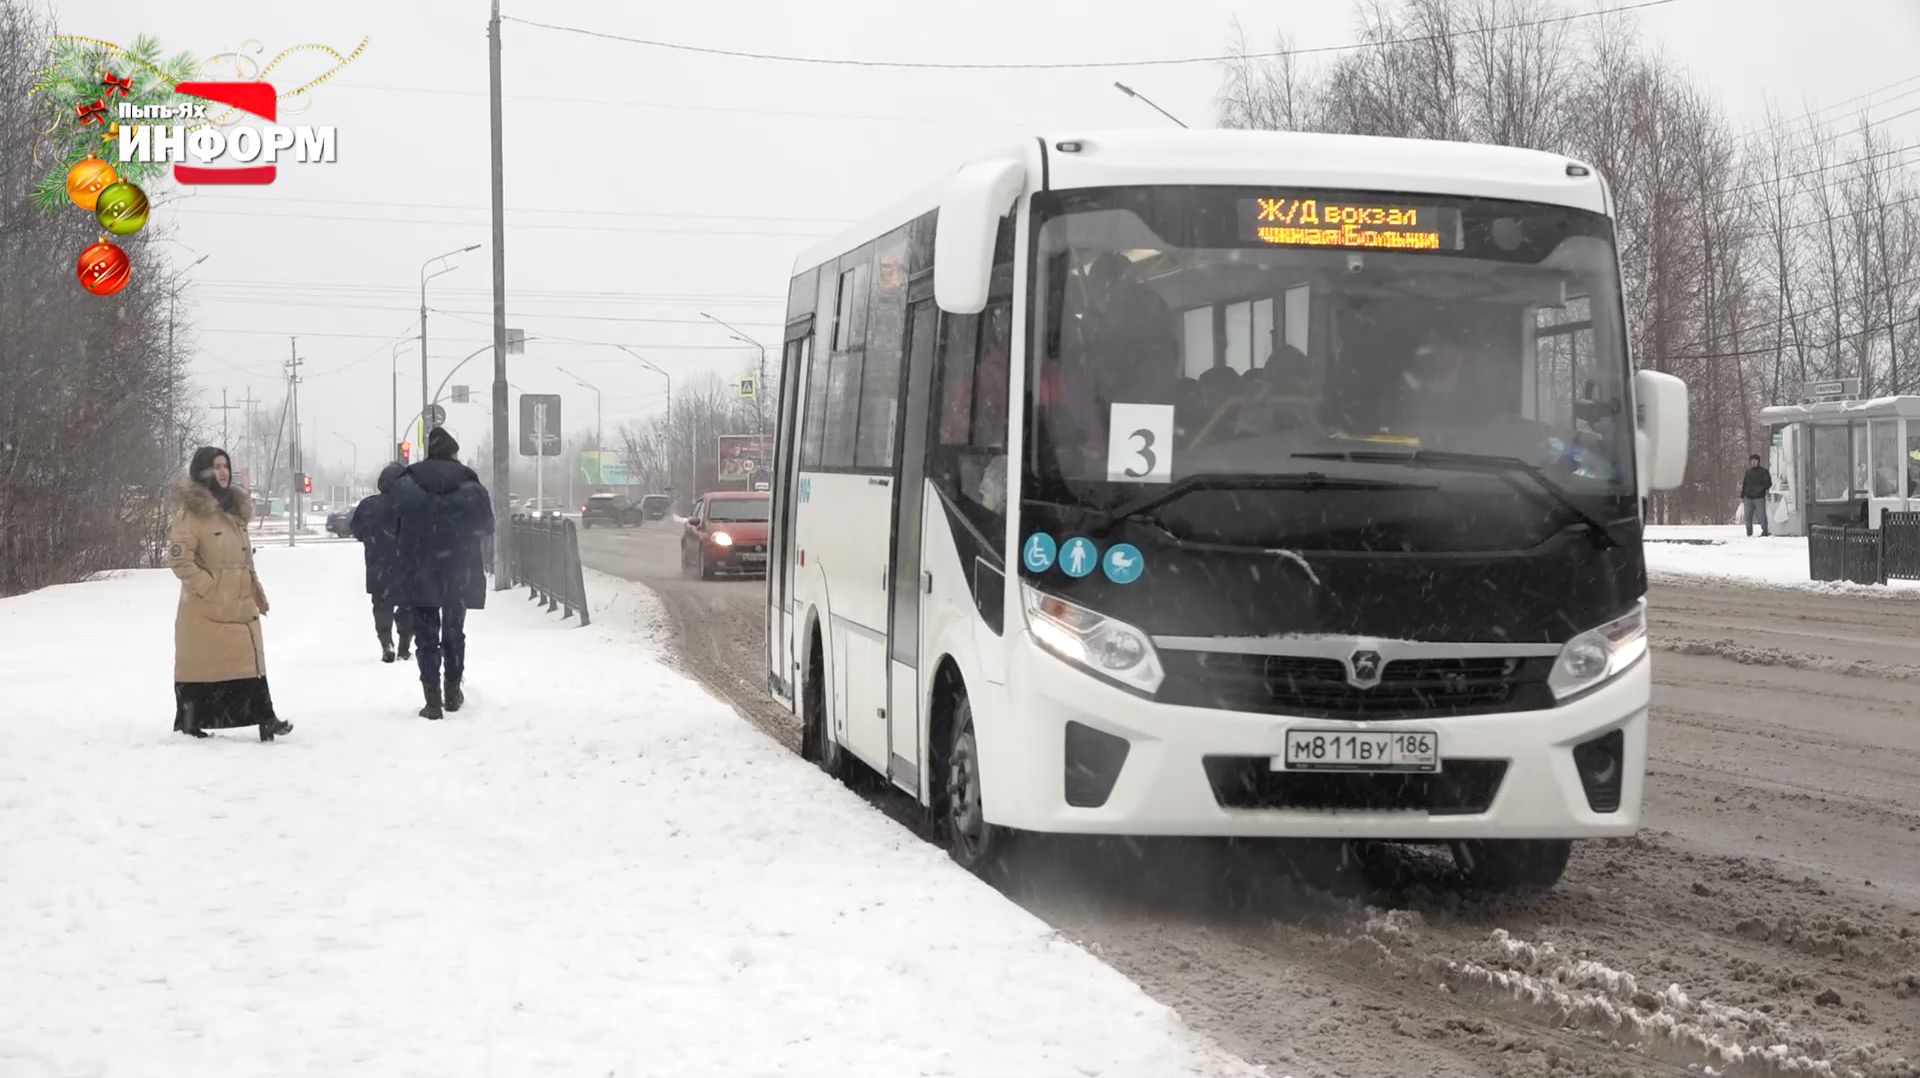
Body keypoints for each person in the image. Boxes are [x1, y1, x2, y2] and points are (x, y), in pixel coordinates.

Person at [168, 446, 293, 741]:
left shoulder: (234, 512)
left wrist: (256, 592)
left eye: (226, 466)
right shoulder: (190, 515)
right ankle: (192, 720)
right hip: (206, 610)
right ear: (203, 472)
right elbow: (180, 560)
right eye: (217, 466)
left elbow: (244, 561)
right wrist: (209, 587)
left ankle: (265, 717)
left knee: (249, 660)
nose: (223, 472)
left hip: (237, 603)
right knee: (203, 668)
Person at [391, 427, 495, 719]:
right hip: (457, 568)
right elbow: (487, 526)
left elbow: (392, 522)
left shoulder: (408, 482)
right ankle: (453, 691)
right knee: (453, 630)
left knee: (425, 635)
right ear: (453, 452)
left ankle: (432, 699)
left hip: (419, 568)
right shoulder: (469, 483)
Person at [350, 462, 412, 663]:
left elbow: (357, 531)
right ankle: (404, 645)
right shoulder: (410, 504)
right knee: (407, 606)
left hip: (378, 565)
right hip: (406, 566)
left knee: (381, 606)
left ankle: (386, 642)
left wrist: (373, 540)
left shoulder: (368, 505)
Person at [1741, 453, 1773, 537]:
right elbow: (1745, 484)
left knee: (1761, 515)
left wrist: (1761, 487)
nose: (1753, 462)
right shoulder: (1748, 472)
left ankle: (1765, 531)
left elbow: (1769, 483)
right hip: (1748, 497)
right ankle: (1749, 532)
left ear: (1758, 461)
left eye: (1755, 460)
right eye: (1752, 461)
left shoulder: (1764, 471)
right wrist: (1742, 495)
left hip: (1759, 497)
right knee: (1747, 516)